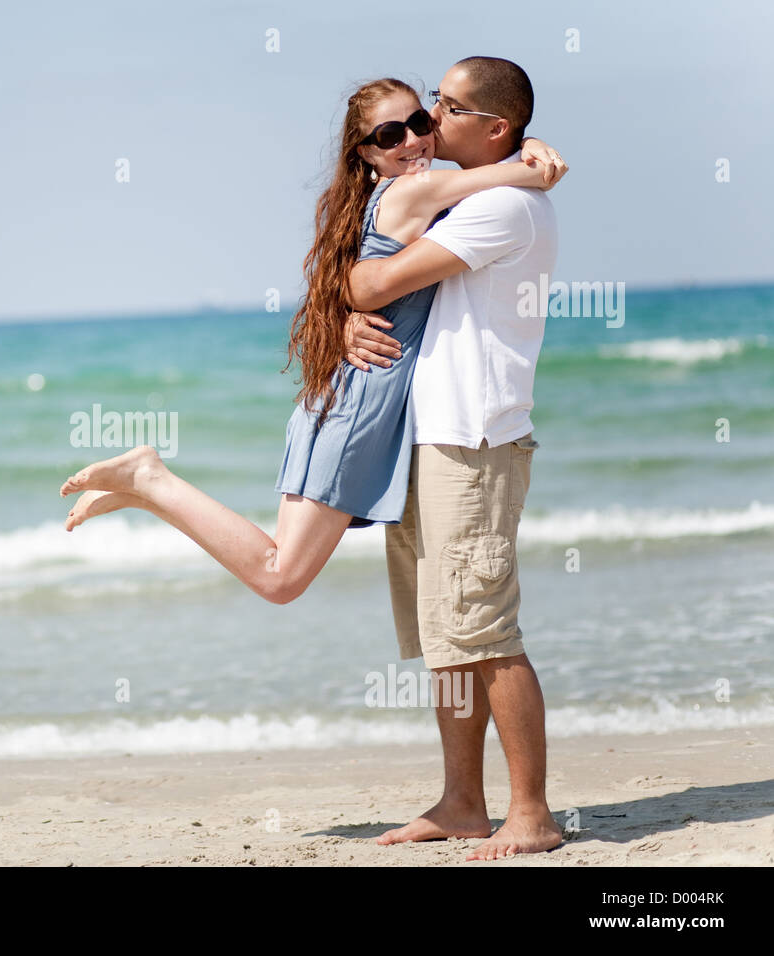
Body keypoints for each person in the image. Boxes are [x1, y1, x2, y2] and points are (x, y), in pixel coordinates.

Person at [57, 76, 565, 610]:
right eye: (390, 135)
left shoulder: (392, 195)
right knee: (281, 577)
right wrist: (532, 151)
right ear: (366, 154)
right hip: (362, 401)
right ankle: (150, 478)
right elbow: (519, 175)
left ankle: (147, 493)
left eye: (420, 122)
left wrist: (524, 140)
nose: (413, 141)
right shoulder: (414, 191)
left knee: (284, 571)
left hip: (362, 397)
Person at [344, 56, 566, 859]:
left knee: (486, 631)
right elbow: (384, 299)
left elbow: (372, 285)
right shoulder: (486, 192)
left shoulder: (501, 206)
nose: (431, 120)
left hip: (472, 441)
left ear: (495, 127)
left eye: (446, 105)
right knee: (449, 639)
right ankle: (463, 801)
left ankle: (532, 812)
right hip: (433, 436)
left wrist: (351, 301)